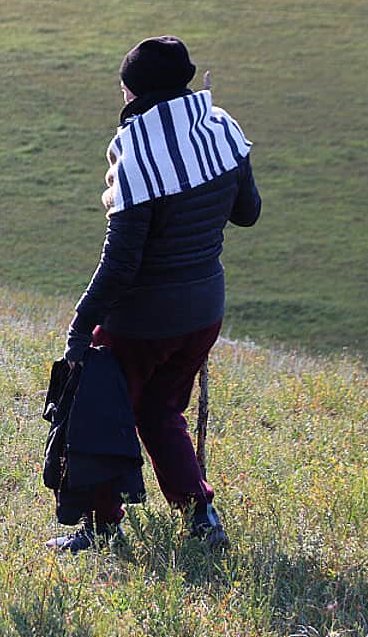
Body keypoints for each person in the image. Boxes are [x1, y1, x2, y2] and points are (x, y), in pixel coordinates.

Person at [49, 35, 261, 553]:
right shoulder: (222, 130)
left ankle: (102, 528)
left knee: (101, 409)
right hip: (204, 310)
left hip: (142, 320)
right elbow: (247, 212)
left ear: (133, 92)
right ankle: (200, 516)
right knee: (162, 411)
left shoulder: (138, 154)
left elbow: (121, 263)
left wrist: (82, 325)